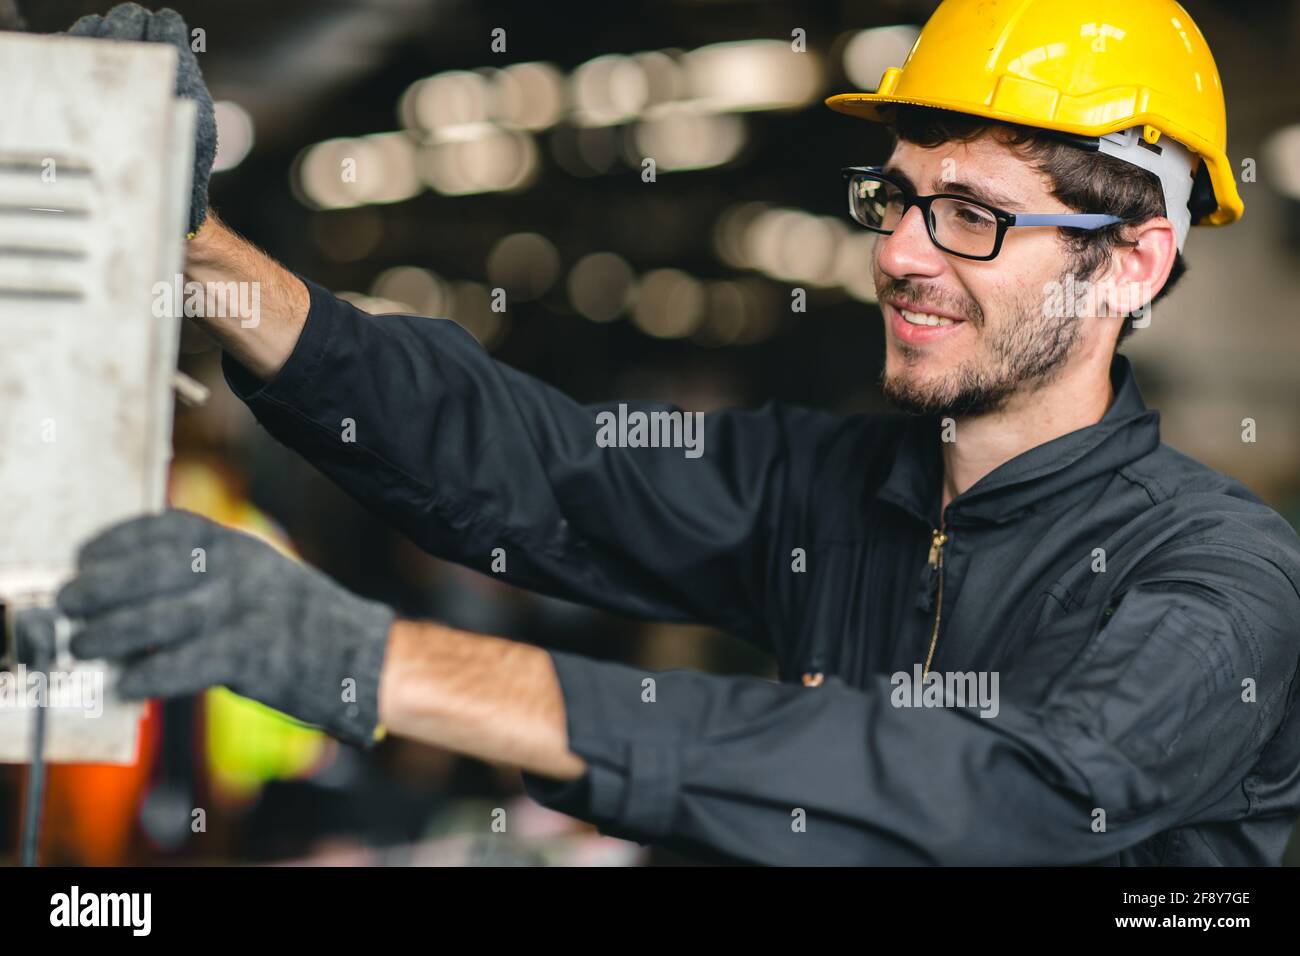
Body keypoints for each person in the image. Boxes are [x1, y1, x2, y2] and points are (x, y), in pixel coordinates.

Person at [57, 1, 1300, 864]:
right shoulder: (831, 484)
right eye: (900, 198)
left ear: (1132, 264)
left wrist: (385, 662)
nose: (901, 253)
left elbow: (989, 787)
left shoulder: (1218, 583)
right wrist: (194, 243)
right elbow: (538, 464)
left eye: (972, 215)